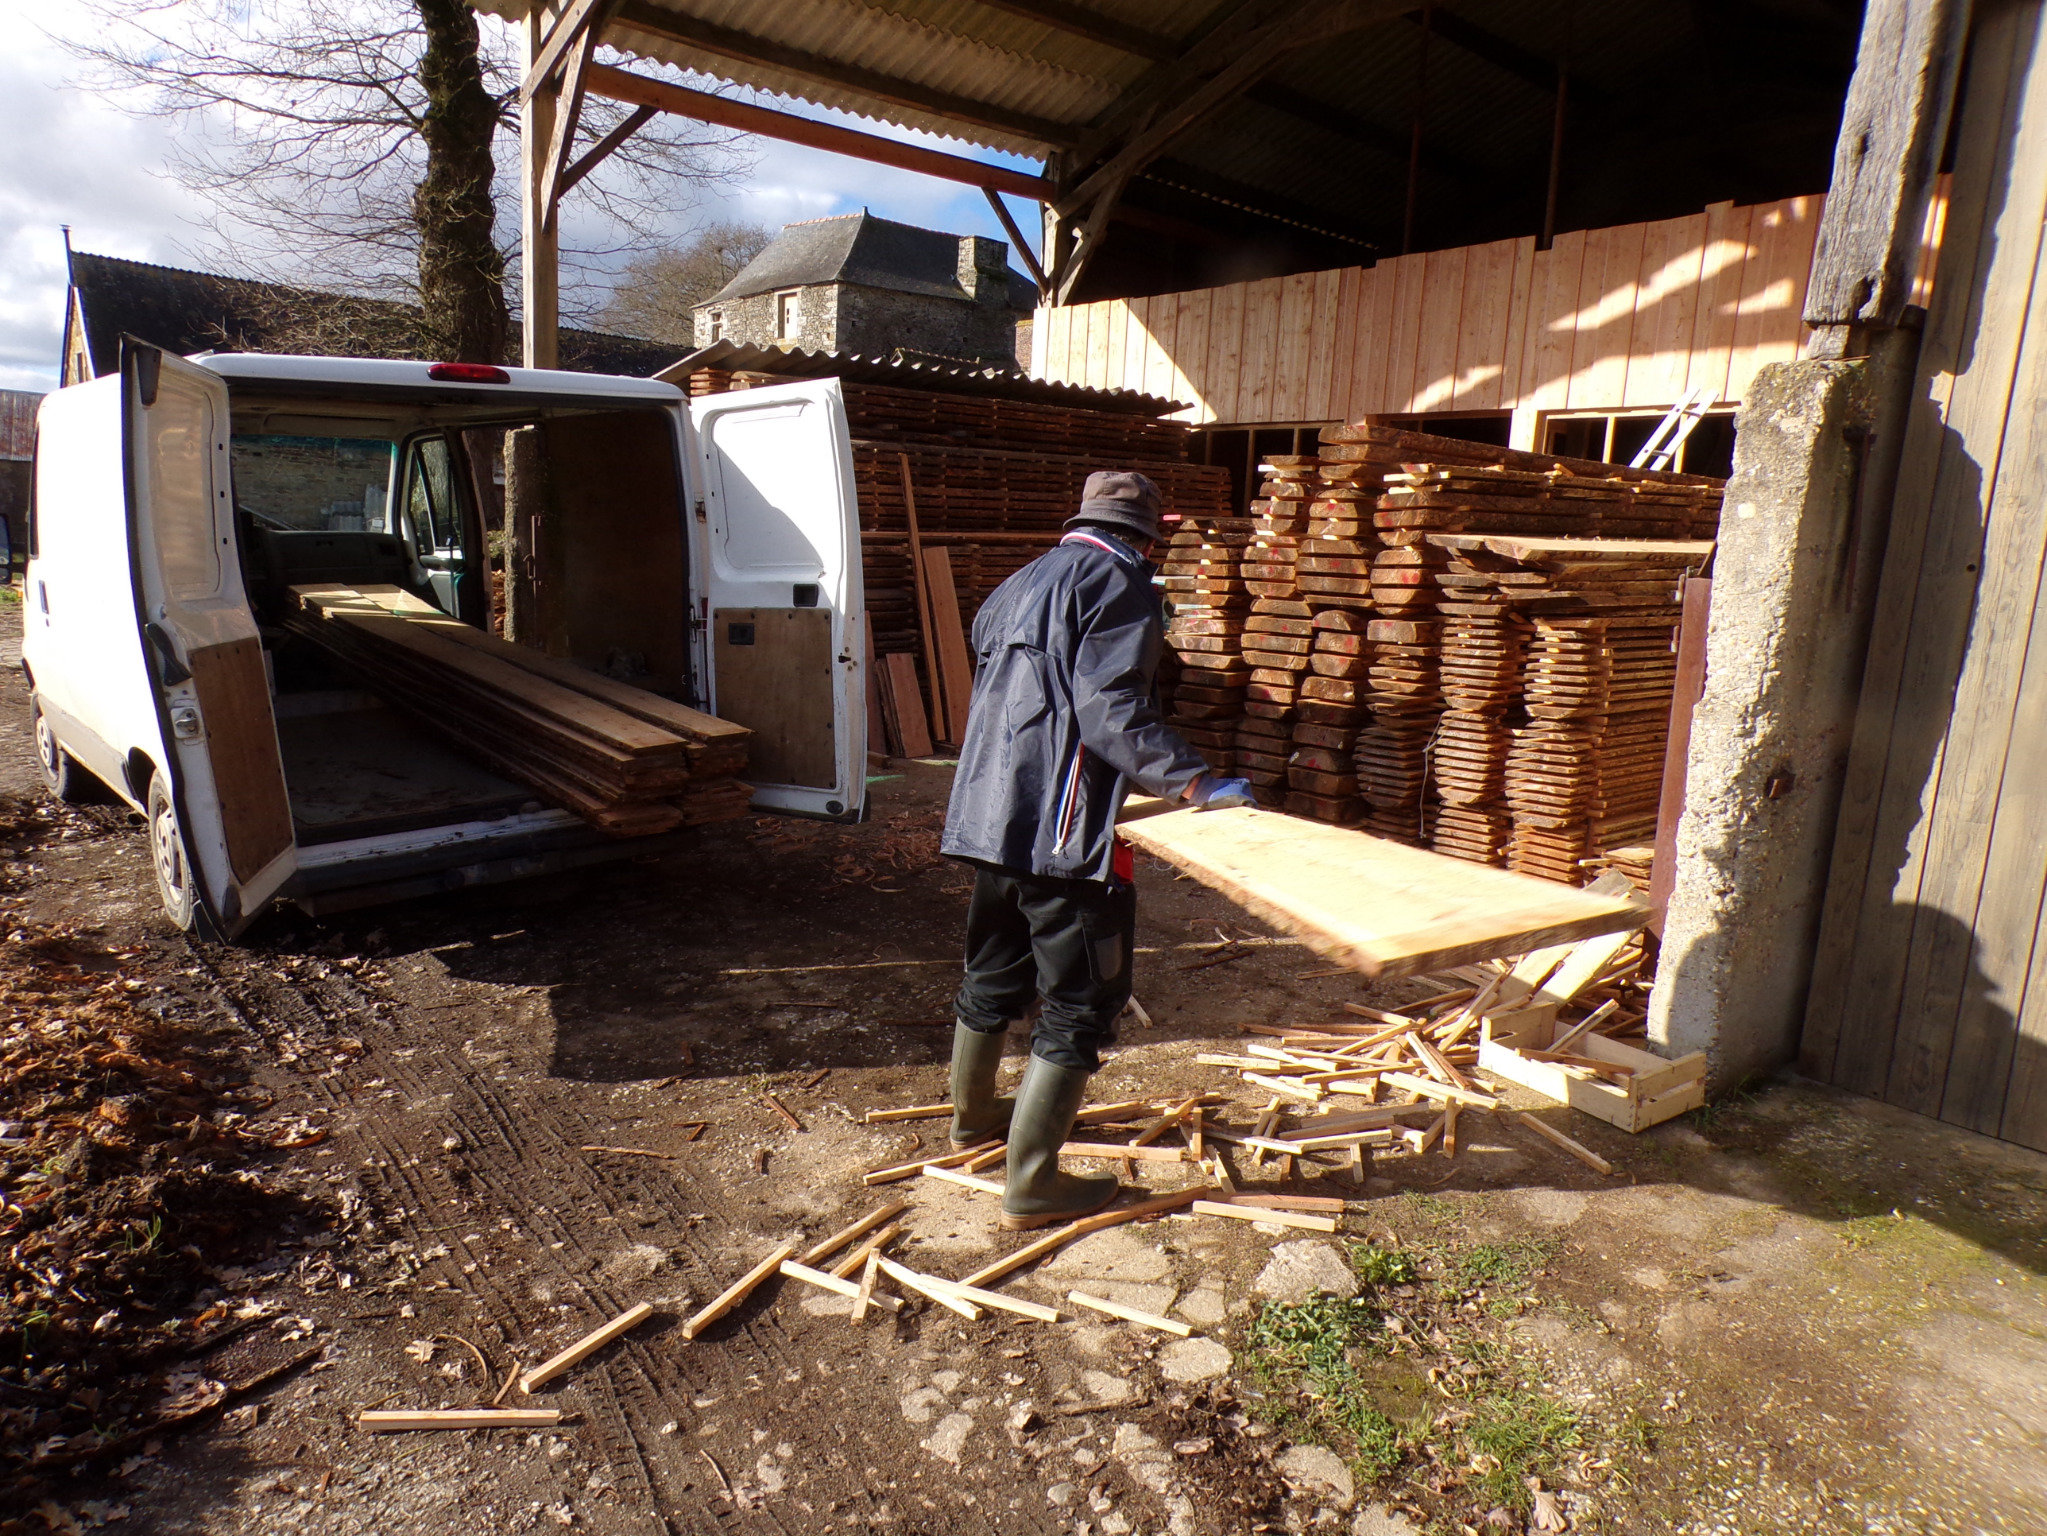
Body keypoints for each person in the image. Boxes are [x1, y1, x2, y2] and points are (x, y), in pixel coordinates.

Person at [938, 470, 1253, 1230]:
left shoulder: (1020, 579)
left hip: (989, 815)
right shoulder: (1119, 585)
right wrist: (1193, 782)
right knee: (1081, 1001)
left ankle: (973, 1120)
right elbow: (1110, 706)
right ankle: (1032, 1185)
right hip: (1063, 831)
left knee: (991, 974)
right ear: (1146, 537)